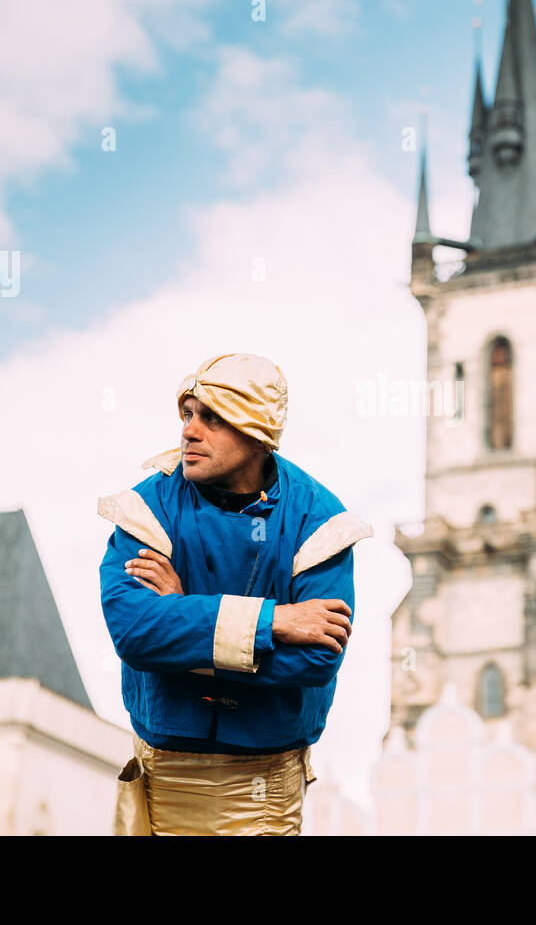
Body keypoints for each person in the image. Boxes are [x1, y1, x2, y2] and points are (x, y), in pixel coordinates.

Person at [98, 352, 372, 835]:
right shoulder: (149, 506)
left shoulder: (319, 520)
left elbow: (315, 661)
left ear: (257, 433)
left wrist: (182, 623)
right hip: (165, 776)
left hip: (265, 787)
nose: (188, 431)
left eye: (212, 418)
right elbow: (136, 633)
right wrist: (275, 623)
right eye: (188, 414)